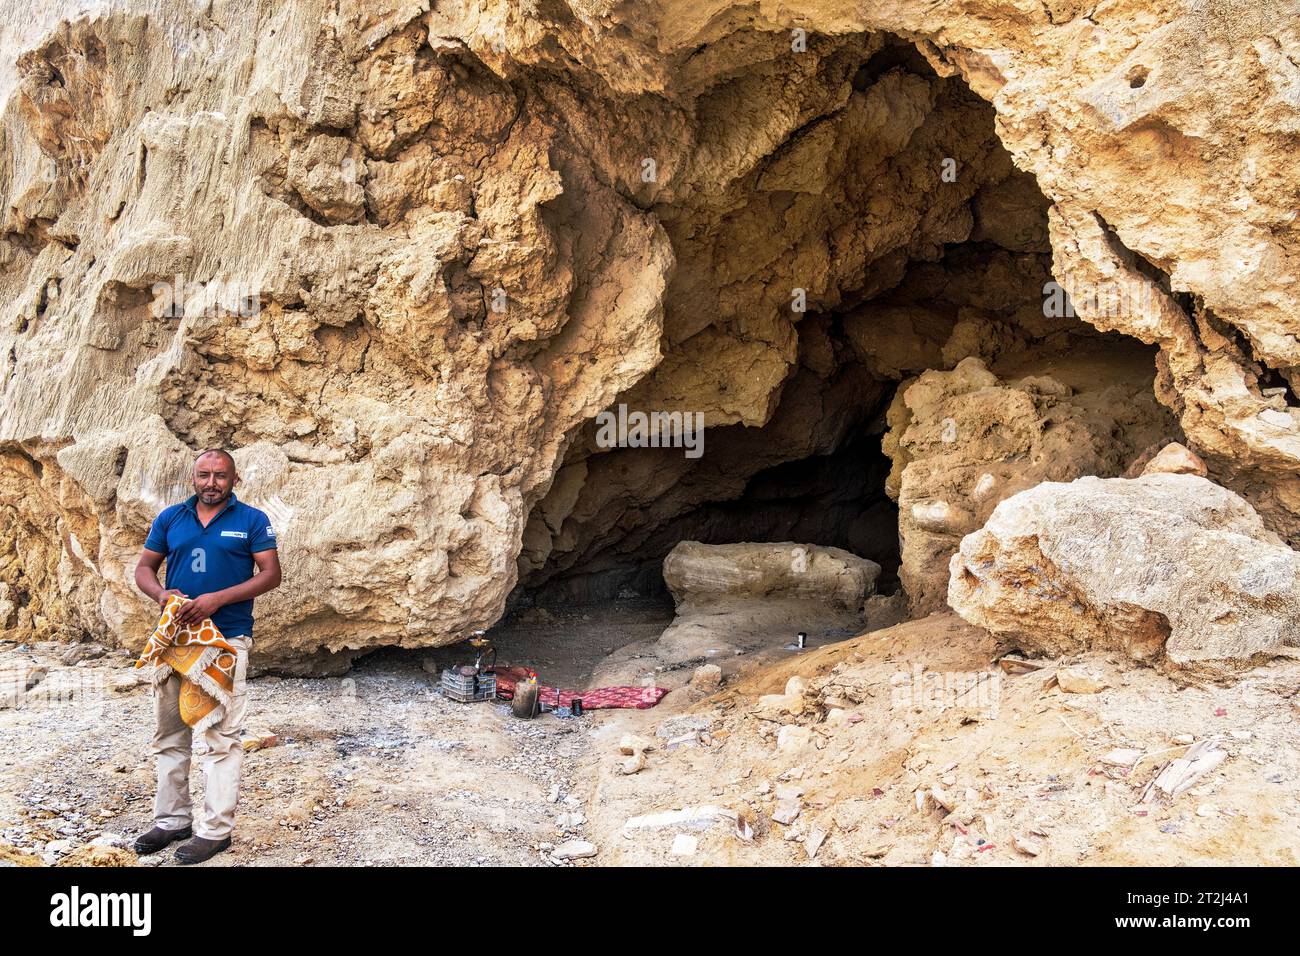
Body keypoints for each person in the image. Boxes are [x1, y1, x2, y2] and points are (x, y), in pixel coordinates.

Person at [130, 448, 282, 864]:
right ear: (192, 478)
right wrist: (161, 594)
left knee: (220, 737)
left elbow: (271, 574)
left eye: (220, 475)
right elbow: (144, 568)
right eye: (203, 475)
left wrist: (217, 599)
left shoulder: (252, 520)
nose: (211, 482)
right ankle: (171, 821)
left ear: (235, 480)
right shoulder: (170, 518)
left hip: (226, 640)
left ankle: (215, 831)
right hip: (175, 640)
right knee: (169, 734)